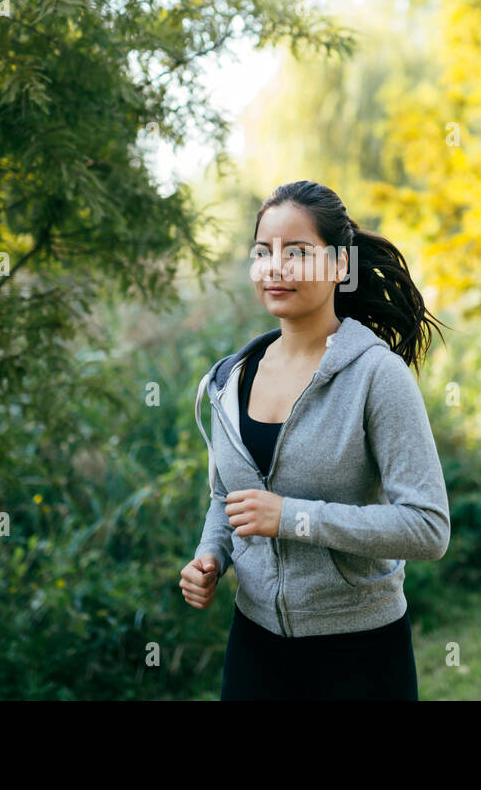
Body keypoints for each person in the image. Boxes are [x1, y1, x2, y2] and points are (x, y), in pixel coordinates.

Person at [178, 180, 451, 700]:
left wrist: (293, 517)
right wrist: (210, 555)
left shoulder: (377, 376)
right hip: (254, 648)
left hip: (359, 654)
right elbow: (225, 497)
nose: (276, 267)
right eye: (264, 252)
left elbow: (428, 527)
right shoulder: (230, 380)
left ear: (340, 266)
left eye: (297, 252)